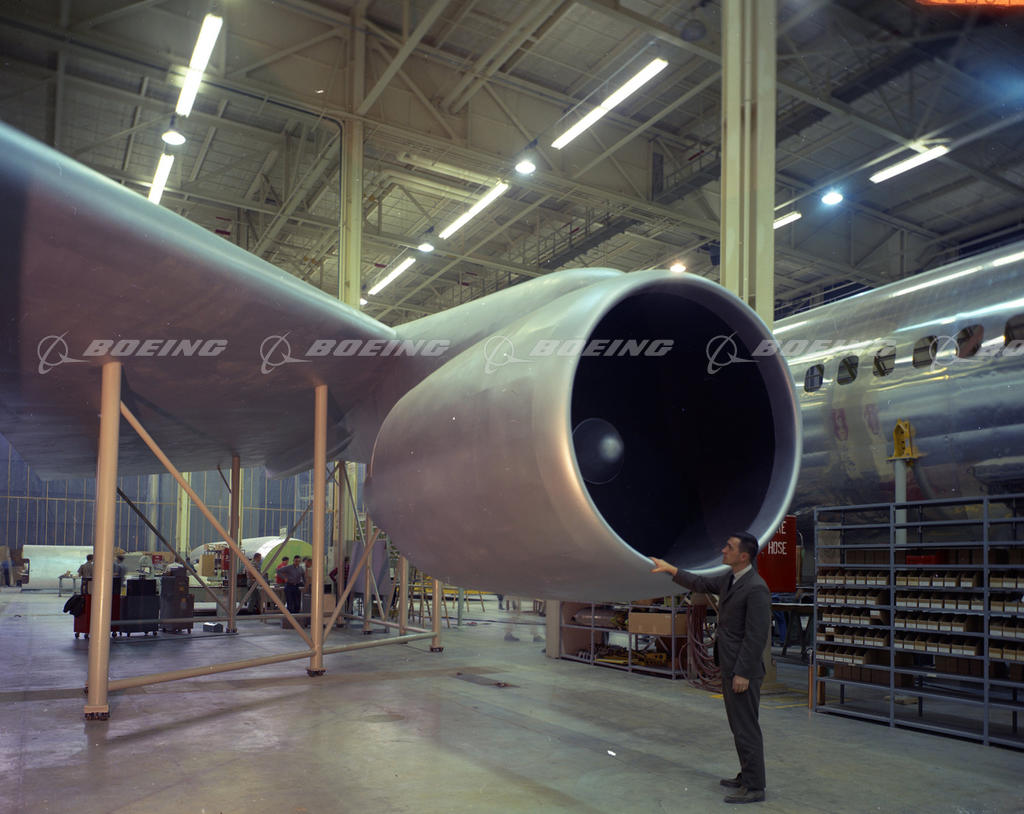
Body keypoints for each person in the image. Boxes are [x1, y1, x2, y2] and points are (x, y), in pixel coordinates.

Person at [651, 532, 770, 805]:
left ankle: (755, 787)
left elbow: (756, 636)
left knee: (746, 728)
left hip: (743, 671)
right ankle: (747, 775)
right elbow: (700, 582)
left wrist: (743, 672)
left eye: (729, 547)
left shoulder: (756, 588)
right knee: (738, 726)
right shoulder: (730, 579)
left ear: (744, 556)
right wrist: (671, 570)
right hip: (730, 665)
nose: (722, 549)